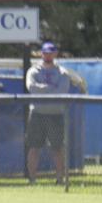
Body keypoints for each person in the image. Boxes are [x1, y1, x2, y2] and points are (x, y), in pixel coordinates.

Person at [25, 42, 73, 184]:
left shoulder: (62, 72)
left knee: (57, 148)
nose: (48, 55)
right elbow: (31, 88)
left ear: (55, 54)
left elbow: (62, 90)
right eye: (46, 52)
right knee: (34, 148)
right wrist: (50, 87)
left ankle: (60, 179)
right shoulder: (33, 71)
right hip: (37, 114)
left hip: (56, 115)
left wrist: (43, 89)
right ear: (41, 53)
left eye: (51, 52)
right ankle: (32, 180)